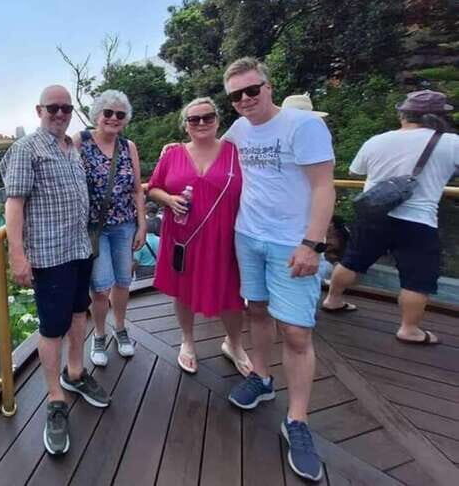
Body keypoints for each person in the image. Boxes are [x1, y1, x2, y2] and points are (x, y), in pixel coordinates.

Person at [222, 57, 335, 482]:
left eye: (253, 90)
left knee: (296, 331)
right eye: (237, 95)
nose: (246, 100)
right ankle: (263, 378)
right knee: (256, 310)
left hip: (292, 242)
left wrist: (312, 242)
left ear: (269, 86)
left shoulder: (303, 126)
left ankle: (298, 420)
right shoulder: (238, 129)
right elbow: (212, 150)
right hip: (247, 234)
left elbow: (325, 186)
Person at [0, 84, 110, 457]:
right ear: (39, 110)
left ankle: (75, 373)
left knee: (80, 313)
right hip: (48, 255)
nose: (60, 114)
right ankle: (54, 397)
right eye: (53, 108)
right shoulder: (26, 149)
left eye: (65, 108)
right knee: (51, 327)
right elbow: (14, 204)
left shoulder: (71, 148)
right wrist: (17, 254)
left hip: (79, 248)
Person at [323, 90, 458, 345]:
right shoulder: (450, 143)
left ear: (403, 114)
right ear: (438, 117)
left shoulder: (378, 140)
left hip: (374, 214)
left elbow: (355, 170)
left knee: (353, 260)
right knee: (417, 277)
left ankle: (333, 299)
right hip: (418, 220)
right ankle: (409, 328)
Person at [149, 98, 251, 376]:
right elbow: (153, 188)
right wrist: (168, 199)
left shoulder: (236, 151)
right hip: (183, 236)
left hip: (226, 236)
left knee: (231, 292)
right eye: (194, 119)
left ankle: (235, 344)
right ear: (186, 125)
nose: (202, 123)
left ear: (218, 120)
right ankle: (188, 341)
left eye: (208, 117)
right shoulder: (172, 154)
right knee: (182, 290)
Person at [73, 90, 146, 366]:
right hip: (94, 228)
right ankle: (100, 334)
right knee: (101, 286)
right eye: (108, 113)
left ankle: (121, 327)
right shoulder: (82, 140)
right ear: (97, 115)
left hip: (124, 224)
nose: (114, 119)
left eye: (120, 114)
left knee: (123, 281)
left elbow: (138, 189)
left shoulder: (129, 147)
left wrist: (141, 225)